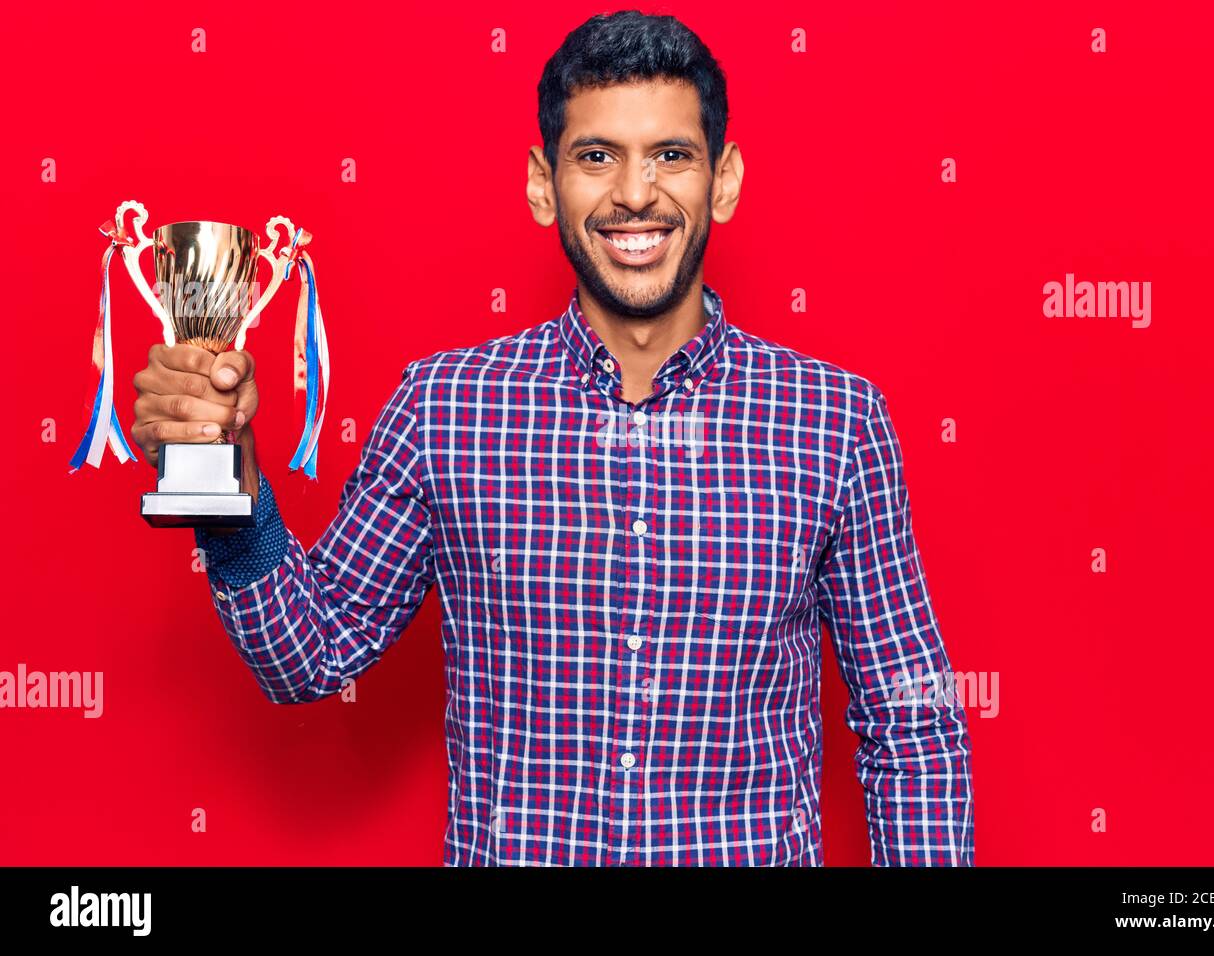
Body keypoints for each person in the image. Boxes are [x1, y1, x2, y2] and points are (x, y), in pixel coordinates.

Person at [130, 10, 973, 867]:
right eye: (597, 156)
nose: (636, 194)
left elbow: (914, 723)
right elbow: (310, 655)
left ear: (724, 180)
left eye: (671, 155)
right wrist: (222, 472)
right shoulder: (443, 411)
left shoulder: (835, 421)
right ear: (543, 183)